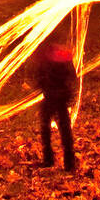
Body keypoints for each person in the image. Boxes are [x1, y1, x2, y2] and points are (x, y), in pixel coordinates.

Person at [30, 35, 78, 172]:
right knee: (64, 128)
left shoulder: (45, 57)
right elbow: (72, 75)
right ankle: (69, 163)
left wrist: (42, 85)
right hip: (61, 97)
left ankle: (49, 159)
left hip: (52, 96)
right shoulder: (62, 54)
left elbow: (41, 76)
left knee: (46, 126)